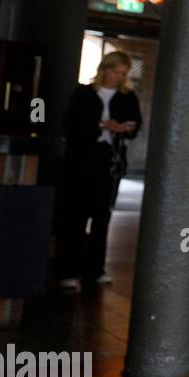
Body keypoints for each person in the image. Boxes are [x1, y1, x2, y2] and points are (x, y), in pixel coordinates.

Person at [56, 50, 142, 291]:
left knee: (102, 216)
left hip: (109, 161)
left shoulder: (128, 97)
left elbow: (136, 125)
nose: (119, 77)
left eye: (123, 74)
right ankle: (67, 270)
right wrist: (101, 125)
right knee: (75, 216)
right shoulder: (83, 93)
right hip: (81, 160)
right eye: (116, 72)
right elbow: (71, 124)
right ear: (105, 69)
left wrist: (124, 128)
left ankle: (95, 269)